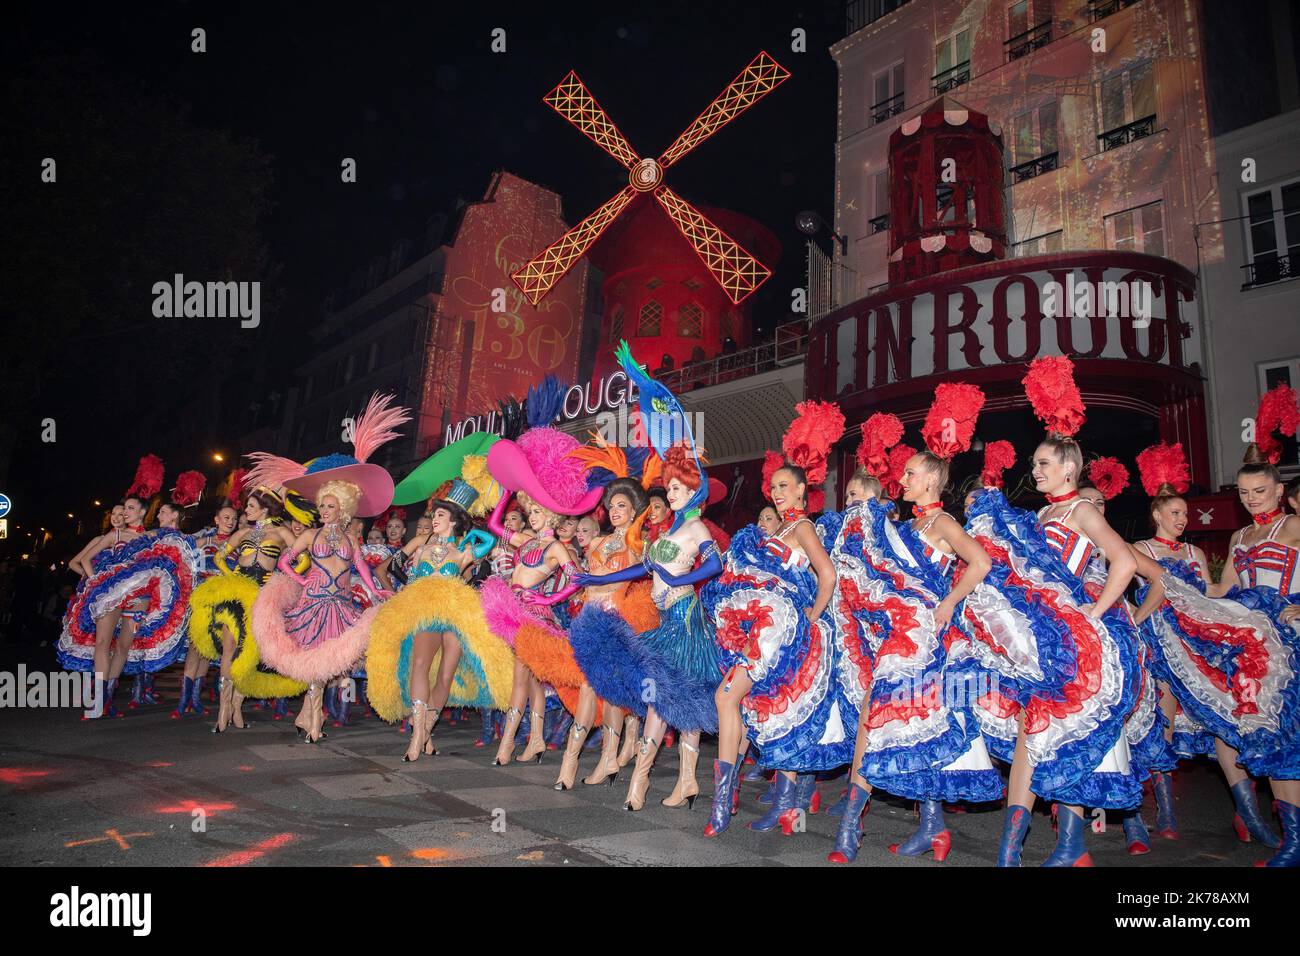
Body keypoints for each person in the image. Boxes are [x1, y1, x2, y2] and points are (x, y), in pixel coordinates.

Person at [971, 358, 1144, 866]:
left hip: (1074, 640)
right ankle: (1019, 850)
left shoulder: (1081, 510)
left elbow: (1126, 560)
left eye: (1044, 464)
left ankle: (1066, 846)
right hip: (1039, 637)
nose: (1036, 469)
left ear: (1070, 468)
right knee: (1036, 733)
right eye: (1036, 463)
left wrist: (1095, 610)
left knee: (1054, 735)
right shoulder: (1042, 512)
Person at [568, 342, 721, 811]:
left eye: (677, 487)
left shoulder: (695, 527)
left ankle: (660, 783)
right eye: (669, 487)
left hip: (685, 621)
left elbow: (714, 565)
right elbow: (645, 567)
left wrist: (680, 583)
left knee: (679, 701)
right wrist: (592, 582)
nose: (670, 492)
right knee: (665, 698)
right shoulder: (662, 530)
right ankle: (663, 782)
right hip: (662, 620)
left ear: (692, 490)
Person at [704, 401, 853, 838]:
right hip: (764, 630)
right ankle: (770, 806)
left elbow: (827, 575)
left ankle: (725, 806)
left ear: (804, 492)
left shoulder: (804, 527)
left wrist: (810, 616)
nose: (778, 492)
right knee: (761, 711)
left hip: (783, 632)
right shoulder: (775, 532)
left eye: (786, 485)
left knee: (729, 699)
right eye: (774, 486)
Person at [1129, 441, 1279, 850]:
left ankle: (1248, 814)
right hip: (1159, 644)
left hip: (1199, 644)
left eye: (1186, 514)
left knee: (1224, 718)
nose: (1182, 519)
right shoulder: (1140, 550)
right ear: (1157, 514)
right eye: (1174, 513)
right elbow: (1132, 592)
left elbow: (1216, 589)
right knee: (1163, 722)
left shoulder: (1196, 551)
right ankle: (1167, 814)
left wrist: (1243, 605)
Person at [246, 393, 410, 742]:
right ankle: (314, 720)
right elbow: (287, 562)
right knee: (315, 662)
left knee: (331, 663)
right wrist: (301, 578)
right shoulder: (309, 535)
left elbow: (363, 570)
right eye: (323, 506)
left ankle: (309, 713)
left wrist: (376, 589)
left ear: (344, 509)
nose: (325, 511)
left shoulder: (351, 541)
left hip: (341, 604)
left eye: (331, 506)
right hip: (315, 602)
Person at [188, 488, 304, 729]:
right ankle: (223, 710)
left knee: (252, 654)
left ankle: (237, 705)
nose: (246, 510)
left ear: (264, 509)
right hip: (237, 596)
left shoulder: (281, 532)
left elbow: (304, 560)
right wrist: (233, 579)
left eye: (251, 506)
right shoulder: (243, 532)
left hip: (263, 597)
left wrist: (285, 579)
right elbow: (220, 558)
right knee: (229, 651)